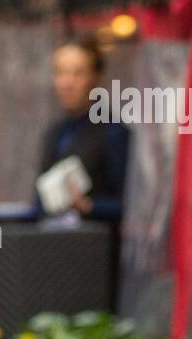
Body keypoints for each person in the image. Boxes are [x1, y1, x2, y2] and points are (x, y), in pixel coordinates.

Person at [35, 38, 130, 224]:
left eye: (78, 73)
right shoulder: (55, 132)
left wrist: (89, 205)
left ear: (94, 77)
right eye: (61, 73)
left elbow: (130, 203)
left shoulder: (113, 131)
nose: (67, 83)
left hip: (95, 244)